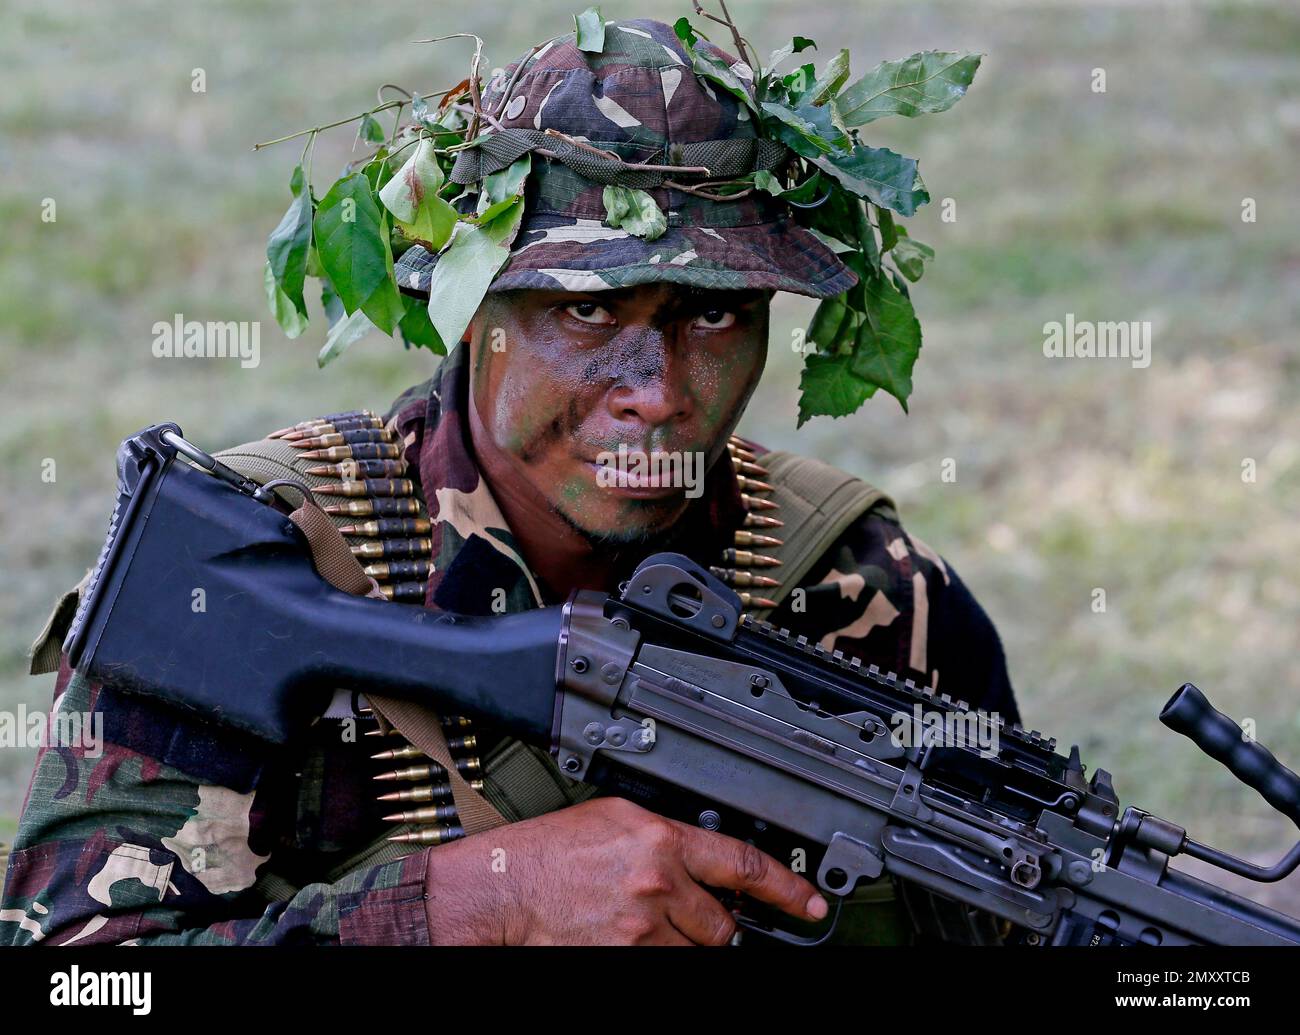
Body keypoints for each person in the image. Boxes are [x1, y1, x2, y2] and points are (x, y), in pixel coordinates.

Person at [0, 17, 1017, 946]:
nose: (655, 394)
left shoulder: (878, 599)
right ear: (470, 304)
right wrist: (467, 903)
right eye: (585, 311)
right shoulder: (247, 577)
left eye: (710, 317)